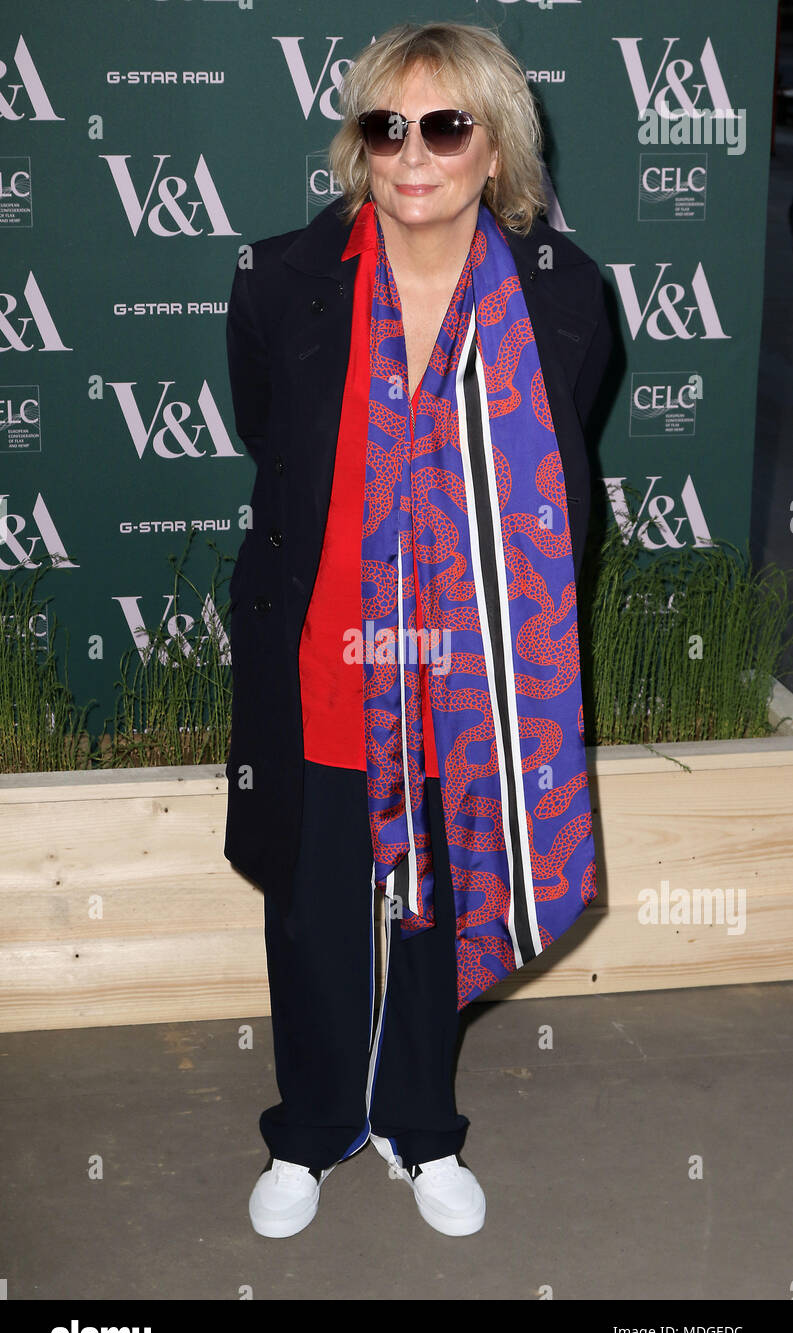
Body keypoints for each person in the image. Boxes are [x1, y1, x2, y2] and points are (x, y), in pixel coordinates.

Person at [223, 20, 613, 1240]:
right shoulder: (281, 278)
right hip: (327, 656)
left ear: (493, 148)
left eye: (443, 126)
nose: (411, 154)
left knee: (439, 915)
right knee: (315, 906)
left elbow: (562, 486)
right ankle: (313, 1128)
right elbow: (269, 445)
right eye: (385, 125)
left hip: (473, 673)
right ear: (358, 142)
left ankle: (418, 1128)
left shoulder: (564, 298)